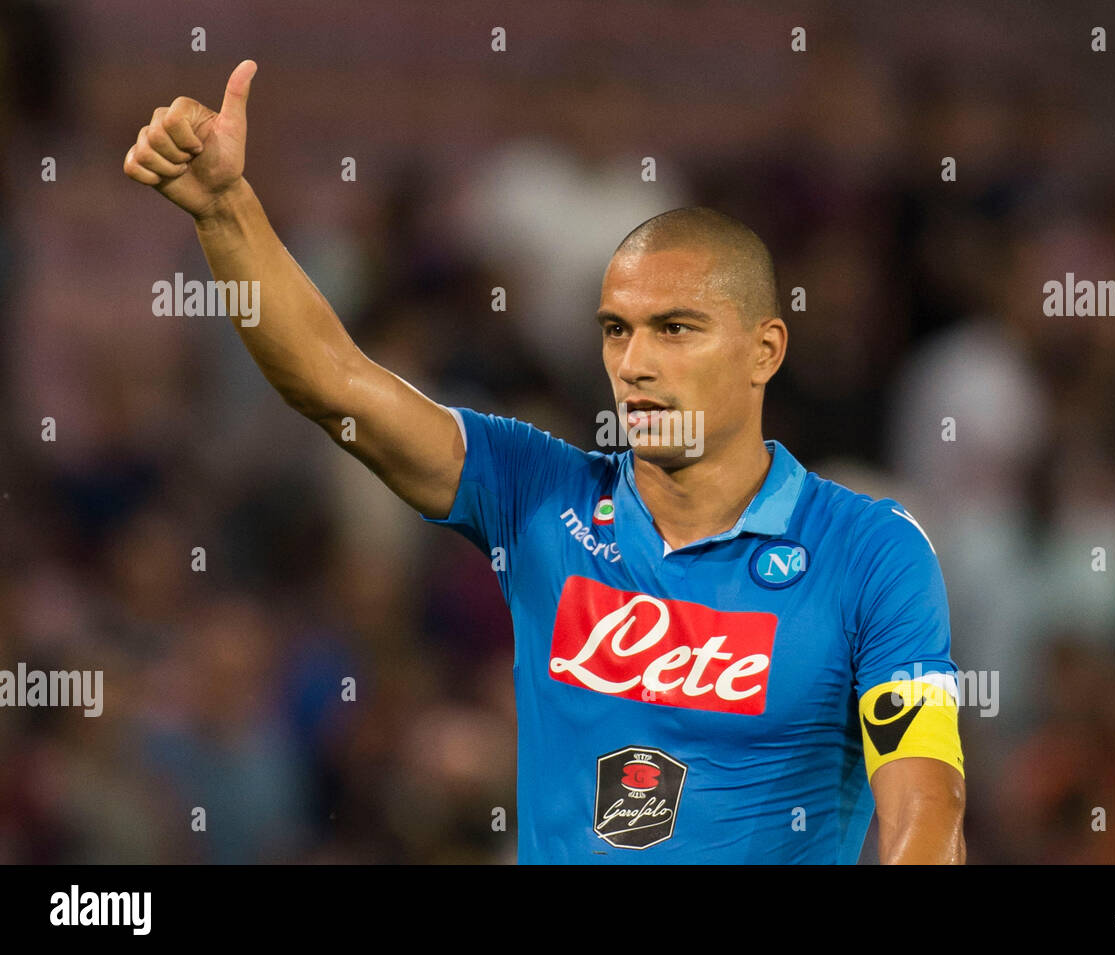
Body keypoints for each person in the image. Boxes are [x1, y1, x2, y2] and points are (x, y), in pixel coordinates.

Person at [123, 60, 967, 864]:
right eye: (616, 330)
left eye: (675, 328)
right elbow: (332, 381)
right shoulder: (538, 493)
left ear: (764, 349)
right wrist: (224, 209)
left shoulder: (872, 553)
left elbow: (927, 813)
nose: (635, 362)